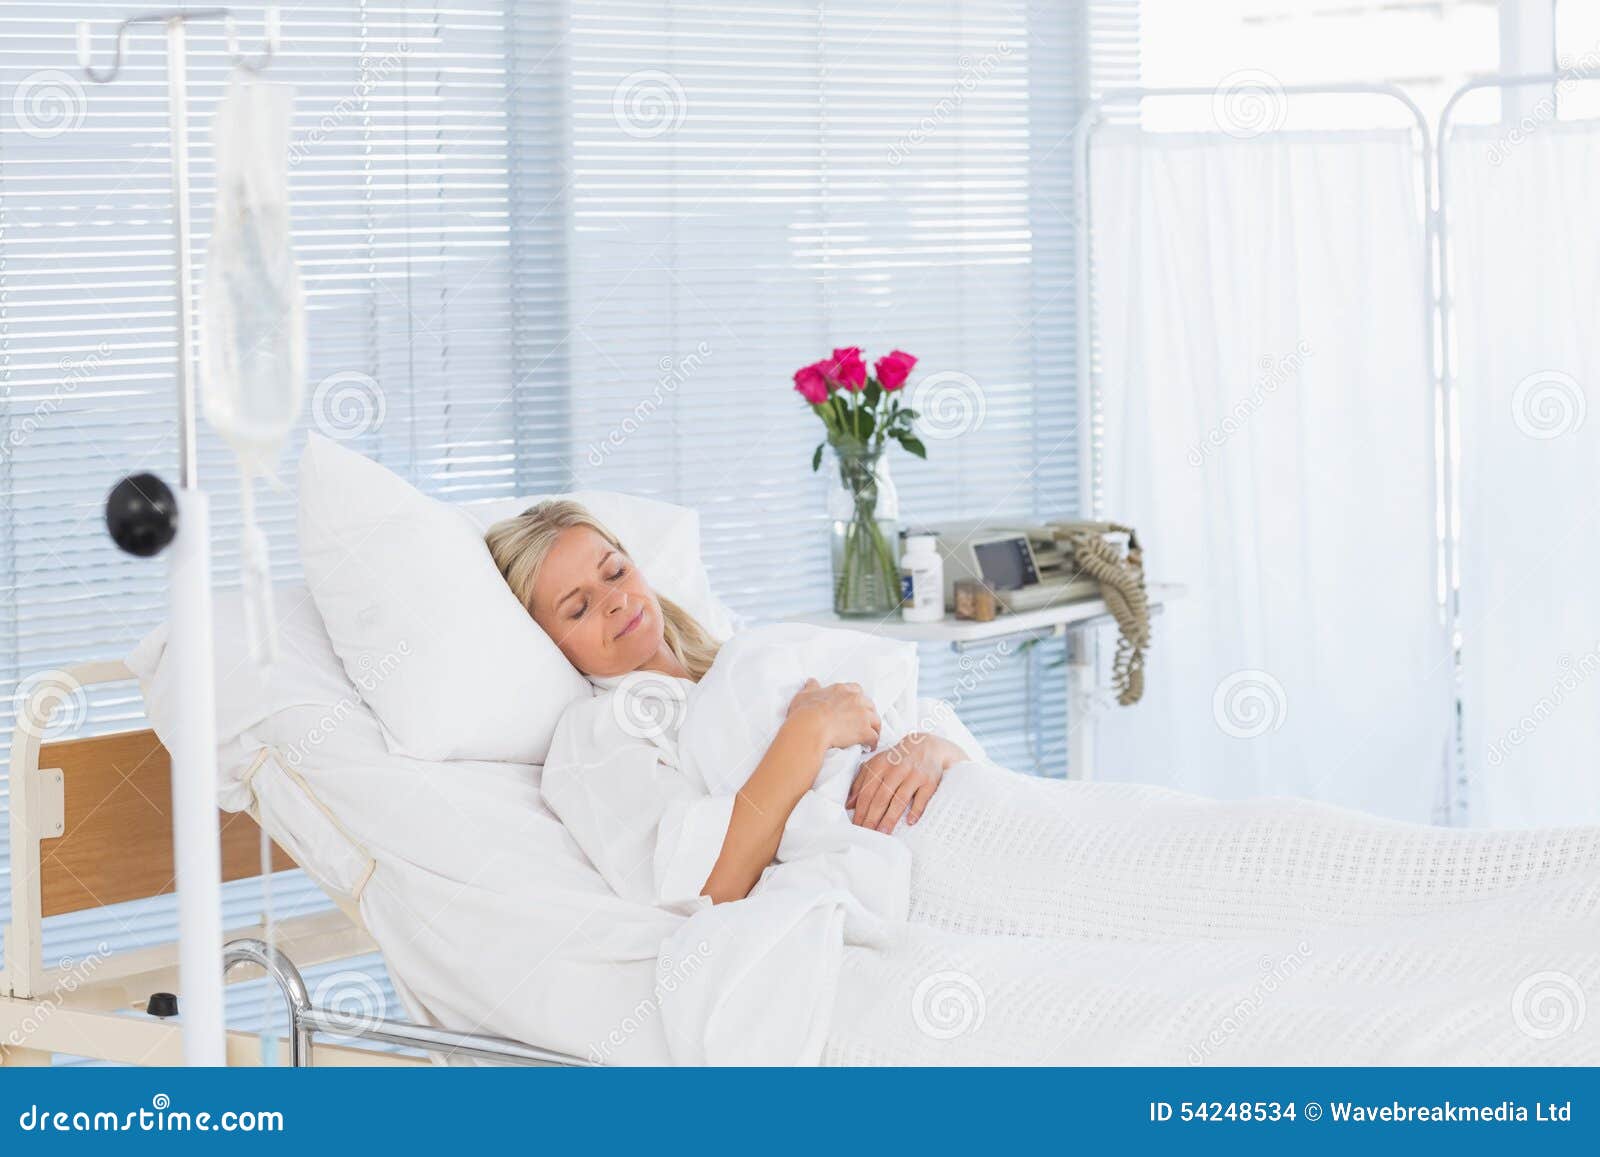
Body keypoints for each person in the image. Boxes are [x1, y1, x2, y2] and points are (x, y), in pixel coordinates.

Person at [486, 499, 974, 909]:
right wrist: (809, 730)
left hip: (955, 812)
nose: (614, 600)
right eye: (578, 608)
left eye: (615, 572)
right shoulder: (595, 736)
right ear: (546, 641)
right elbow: (709, 886)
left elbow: (901, 721)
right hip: (909, 872)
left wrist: (928, 750)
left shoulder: (741, 661)